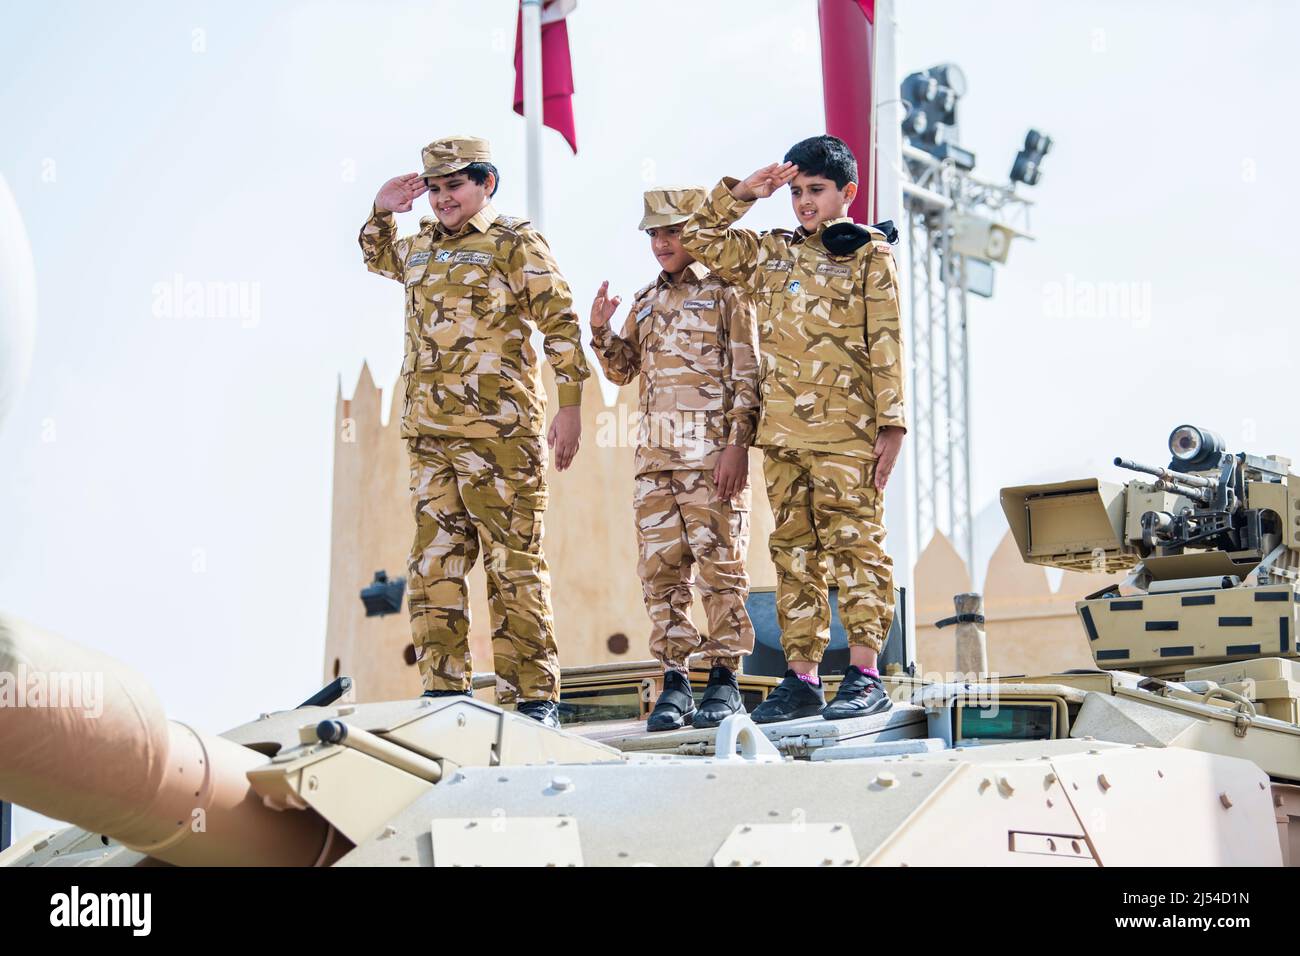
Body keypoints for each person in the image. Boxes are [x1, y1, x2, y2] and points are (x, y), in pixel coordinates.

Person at [358, 135, 591, 729]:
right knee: (434, 567)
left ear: (486, 183)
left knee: (512, 567)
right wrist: (384, 210)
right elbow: (376, 257)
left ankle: (534, 700)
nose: (442, 199)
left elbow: (561, 324)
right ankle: (444, 696)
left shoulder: (513, 241)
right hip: (431, 435)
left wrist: (569, 406)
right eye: (434, 189)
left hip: (500, 436)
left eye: (454, 185)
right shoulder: (419, 249)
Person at [680, 135, 907, 723]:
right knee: (795, 556)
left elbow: (886, 341)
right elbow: (700, 240)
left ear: (847, 194)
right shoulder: (770, 253)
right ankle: (802, 676)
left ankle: (864, 673)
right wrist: (745, 194)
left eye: (816, 191)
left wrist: (893, 424)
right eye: (797, 191)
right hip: (782, 434)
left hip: (846, 434)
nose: (804, 202)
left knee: (857, 550)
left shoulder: (869, 256)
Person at [589, 187, 760, 732]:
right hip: (656, 463)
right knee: (660, 575)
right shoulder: (644, 300)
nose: (662, 243)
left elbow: (747, 374)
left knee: (721, 570)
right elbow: (622, 370)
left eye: (673, 231)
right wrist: (600, 331)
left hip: (712, 460)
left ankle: (725, 679)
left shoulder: (727, 293)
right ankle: (676, 680)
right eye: (654, 234)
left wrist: (737, 446)